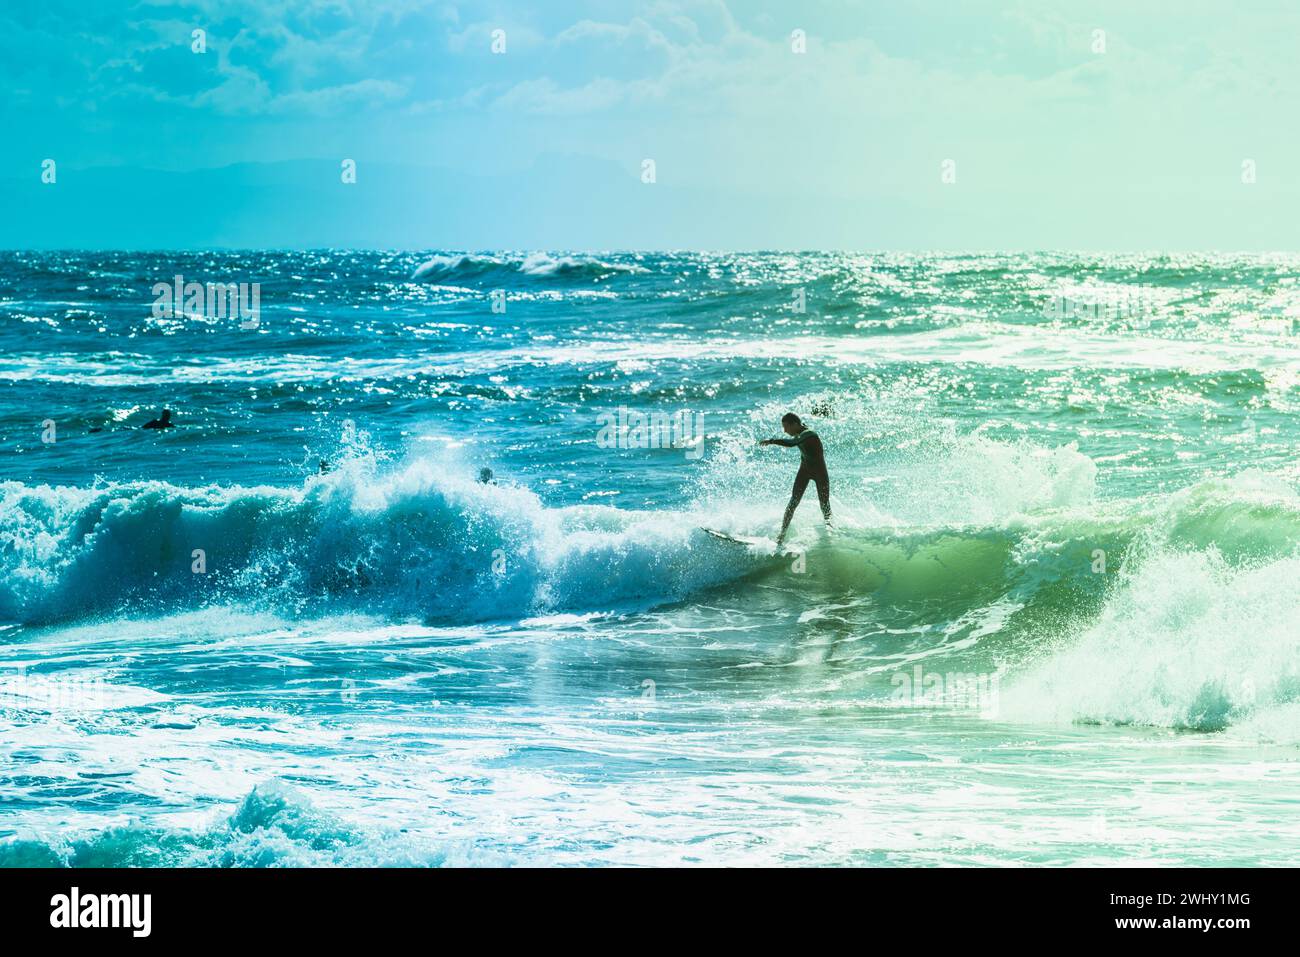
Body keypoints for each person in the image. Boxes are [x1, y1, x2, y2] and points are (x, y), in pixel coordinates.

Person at [760, 412, 832, 546]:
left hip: (819, 472)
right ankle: (781, 536)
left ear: (795, 424)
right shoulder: (801, 431)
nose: (785, 431)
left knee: (824, 504)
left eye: (786, 427)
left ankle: (830, 532)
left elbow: (793, 443)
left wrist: (772, 441)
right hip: (804, 471)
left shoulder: (809, 434)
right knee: (793, 502)